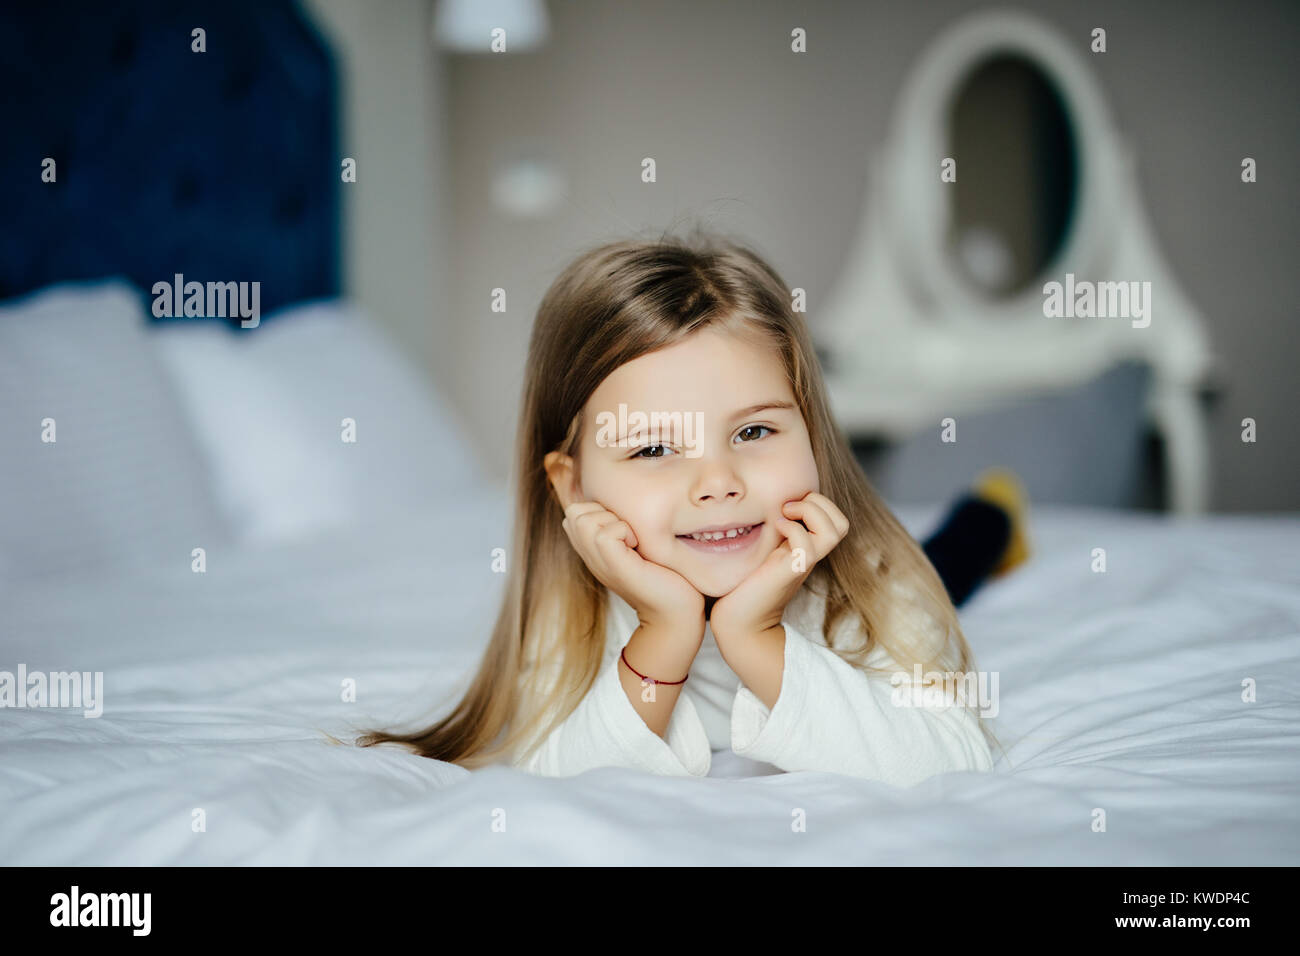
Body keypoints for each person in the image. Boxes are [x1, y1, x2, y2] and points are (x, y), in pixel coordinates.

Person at [356, 229, 1030, 785]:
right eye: (652, 450)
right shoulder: (576, 608)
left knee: (952, 559)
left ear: (814, 438)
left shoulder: (876, 584)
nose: (717, 483)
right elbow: (561, 774)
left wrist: (756, 636)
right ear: (572, 485)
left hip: (889, 568)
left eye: (754, 433)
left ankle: (994, 512)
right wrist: (665, 627)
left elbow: (951, 758)